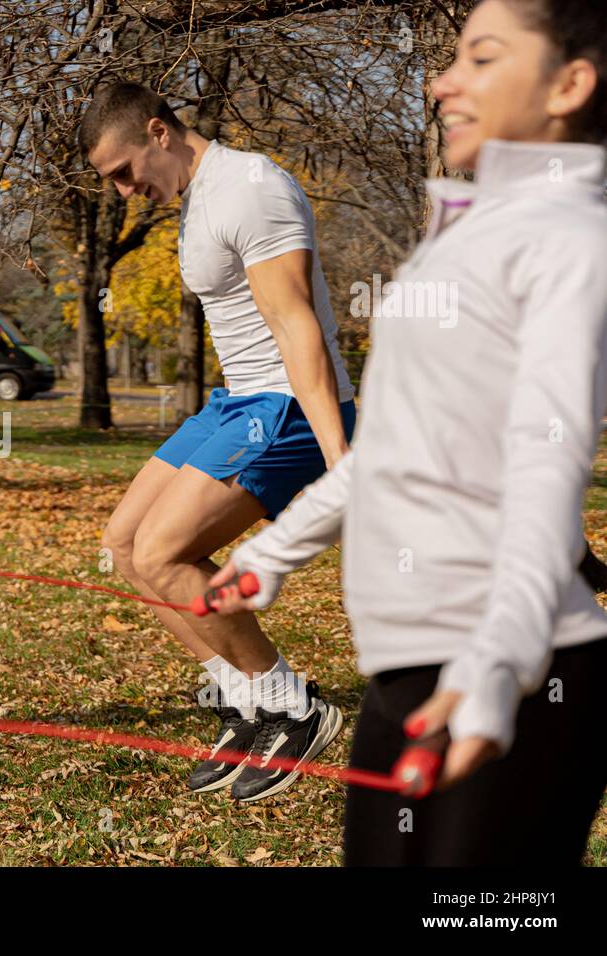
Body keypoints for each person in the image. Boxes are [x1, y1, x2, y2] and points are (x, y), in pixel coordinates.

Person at [209, 0, 607, 865]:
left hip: (513, 672)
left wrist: (499, 667)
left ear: (571, 84)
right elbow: (393, 446)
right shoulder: (470, 234)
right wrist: (272, 556)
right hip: (411, 671)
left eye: (484, 58)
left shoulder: (570, 241)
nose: (441, 80)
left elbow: (548, 458)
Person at [78, 83, 357, 801]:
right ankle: (248, 699)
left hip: (288, 404)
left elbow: (296, 325)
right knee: (124, 544)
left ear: (158, 131)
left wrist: (340, 461)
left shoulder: (250, 188)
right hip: (238, 401)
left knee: (164, 554)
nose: (123, 190)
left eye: (123, 170)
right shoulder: (198, 194)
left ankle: (295, 708)